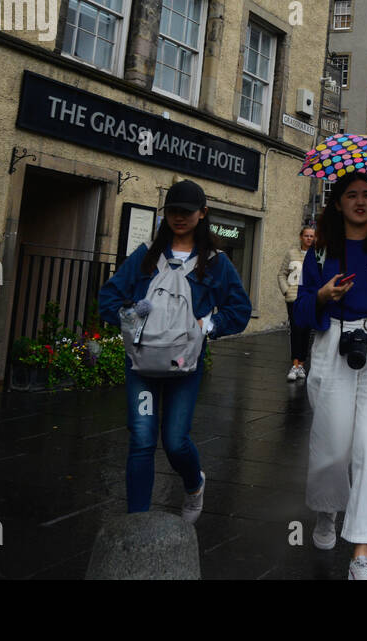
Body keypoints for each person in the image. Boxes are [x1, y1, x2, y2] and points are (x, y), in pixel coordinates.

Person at [98, 179, 252, 521]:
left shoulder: (216, 263)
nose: (179, 218)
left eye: (186, 212)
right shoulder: (145, 256)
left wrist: (208, 327)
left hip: (185, 364)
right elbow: (107, 299)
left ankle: (194, 482)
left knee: (175, 441)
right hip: (141, 363)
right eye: (173, 212)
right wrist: (132, 319)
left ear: (202, 214)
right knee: (141, 439)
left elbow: (240, 310)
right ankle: (136, 523)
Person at [293, 172, 367, 580]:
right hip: (333, 346)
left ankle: (361, 552)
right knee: (332, 447)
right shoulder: (322, 251)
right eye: (352, 195)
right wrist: (324, 295)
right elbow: (302, 309)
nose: (360, 202)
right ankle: (327, 509)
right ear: (339, 202)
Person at [277, 226, 316, 381]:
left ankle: (301, 364)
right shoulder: (292, 253)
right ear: (301, 237)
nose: (309, 238)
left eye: (312, 236)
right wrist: (286, 290)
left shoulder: (317, 256)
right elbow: (281, 274)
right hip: (293, 298)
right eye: (306, 235)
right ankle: (295, 364)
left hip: (309, 299)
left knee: (306, 331)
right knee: (296, 330)